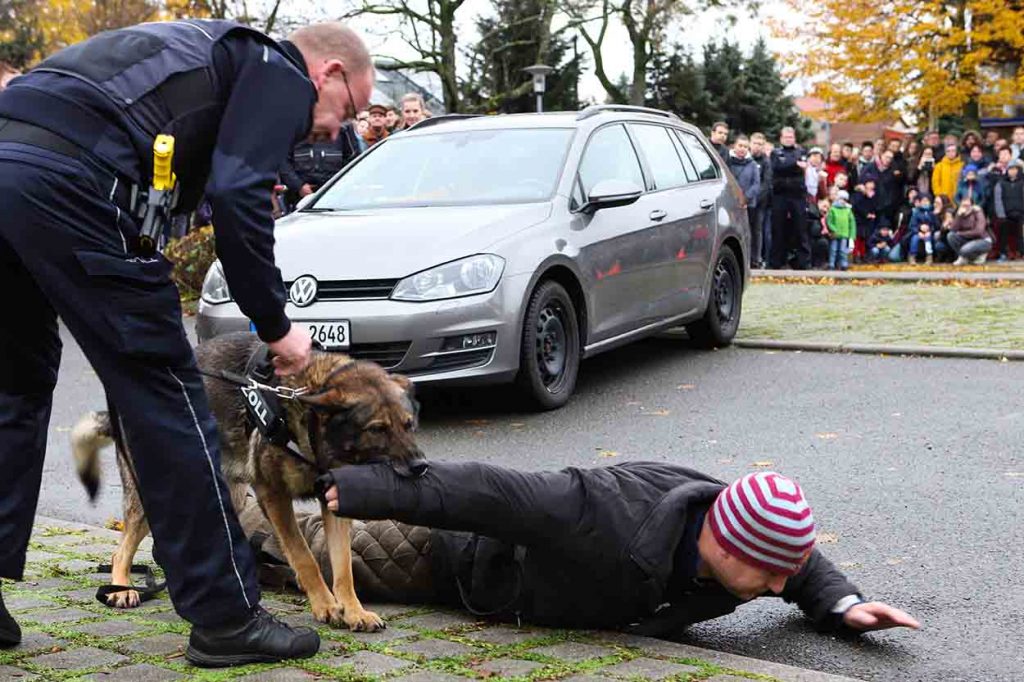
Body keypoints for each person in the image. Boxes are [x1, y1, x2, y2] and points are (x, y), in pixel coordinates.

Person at [0, 19, 374, 666]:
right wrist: (277, 326)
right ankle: (226, 616)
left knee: (12, 388)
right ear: (329, 74)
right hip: (70, 182)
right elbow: (237, 194)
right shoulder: (276, 68)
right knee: (166, 395)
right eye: (351, 110)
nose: (338, 130)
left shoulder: (193, 54)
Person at [306, 461, 921, 636]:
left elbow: (799, 562)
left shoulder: (736, 533)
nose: (779, 590)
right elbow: (491, 491)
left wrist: (842, 603)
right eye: (770, 577)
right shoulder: (597, 513)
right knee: (284, 552)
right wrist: (365, 485)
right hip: (446, 554)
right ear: (727, 543)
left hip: (508, 577)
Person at [280, 122, 365, 205]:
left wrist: (338, 186)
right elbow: (282, 160)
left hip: (335, 195)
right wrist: (299, 186)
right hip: (300, 197)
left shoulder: (343, 126)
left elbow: (353, 159)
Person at [770, 127, 811, 269]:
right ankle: (776, 262)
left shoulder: (801, 152)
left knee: (801, 230)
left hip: (797, 196)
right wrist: (794, 165)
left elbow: (802, 167)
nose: (789, 139)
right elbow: (777, 167)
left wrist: (788, 167)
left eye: (791, 137)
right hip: (780, 195)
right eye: (786, 137)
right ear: (781, 139)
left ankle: (803, 263)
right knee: (778, 229)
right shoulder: (775, 153)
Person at [726, 135, 761, 268]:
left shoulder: (752, 164)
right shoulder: (727, 161)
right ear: (734, 146)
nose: (742, 149)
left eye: (745, 147)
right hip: (730, 203)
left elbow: (756, 184)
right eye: (740, 146)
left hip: (747, 204)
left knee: (748, 233)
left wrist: (745, 198)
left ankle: (750, 260)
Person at [993, 159, 1024, 260]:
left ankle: (1021, 253)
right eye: (1010, 169)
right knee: (1003, 235)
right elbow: (998, 199)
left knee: (1021, 235)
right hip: (1006, 214)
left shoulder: (1022, 182)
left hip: (1021, 213)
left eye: (1014, 169)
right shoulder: (1001, 183)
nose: (1012, 171)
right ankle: (1003, 253)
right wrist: (1001, 214)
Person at [750, 132, 773, 268]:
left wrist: (756, 197)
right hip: (745, 202)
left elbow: (766, 182)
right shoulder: (746, 159)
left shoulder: (766, 161)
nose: (757, 147)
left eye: (760, 144)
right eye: (755, 143)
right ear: (751, 143)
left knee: (757, 230)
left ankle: (756, 258)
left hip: (759, 203)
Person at [949, 196, 992, 265]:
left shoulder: (978, 212)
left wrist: (960, 233)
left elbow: (979, 231)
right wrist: (958, 215)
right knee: (950, 236)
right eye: (963, 205)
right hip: (969, 240)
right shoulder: (960, 214)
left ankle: (978, 255)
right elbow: (953, 230)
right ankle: (965, 257)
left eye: (967, 205)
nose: (965, 208)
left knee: (965, 249)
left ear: (972, 206)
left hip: (982, 240)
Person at [826, 190, 855, 270]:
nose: (843, 201)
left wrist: (852, 235)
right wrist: (833, 229)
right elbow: (829, 221)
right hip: (835, 234)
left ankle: (843, 264)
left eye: (845, 200)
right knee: (833, 249)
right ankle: (831, 263)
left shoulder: (848, 210)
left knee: (843, 250)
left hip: (845, 234)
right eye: (841, 199)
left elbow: (852, 223)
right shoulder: (832, 209)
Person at [907, 194, 938, 265]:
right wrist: (918, 230)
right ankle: (912, 256)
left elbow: (935, 225)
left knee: (928, 240)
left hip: (928, 233)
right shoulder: (916, 213)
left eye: (927, 201)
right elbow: (912, 225)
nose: (925, 203)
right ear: (920, 203)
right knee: (914, 239)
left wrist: (930, 230)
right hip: (918, 232)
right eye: (923, 201)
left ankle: (929, 257)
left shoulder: (932, 213)